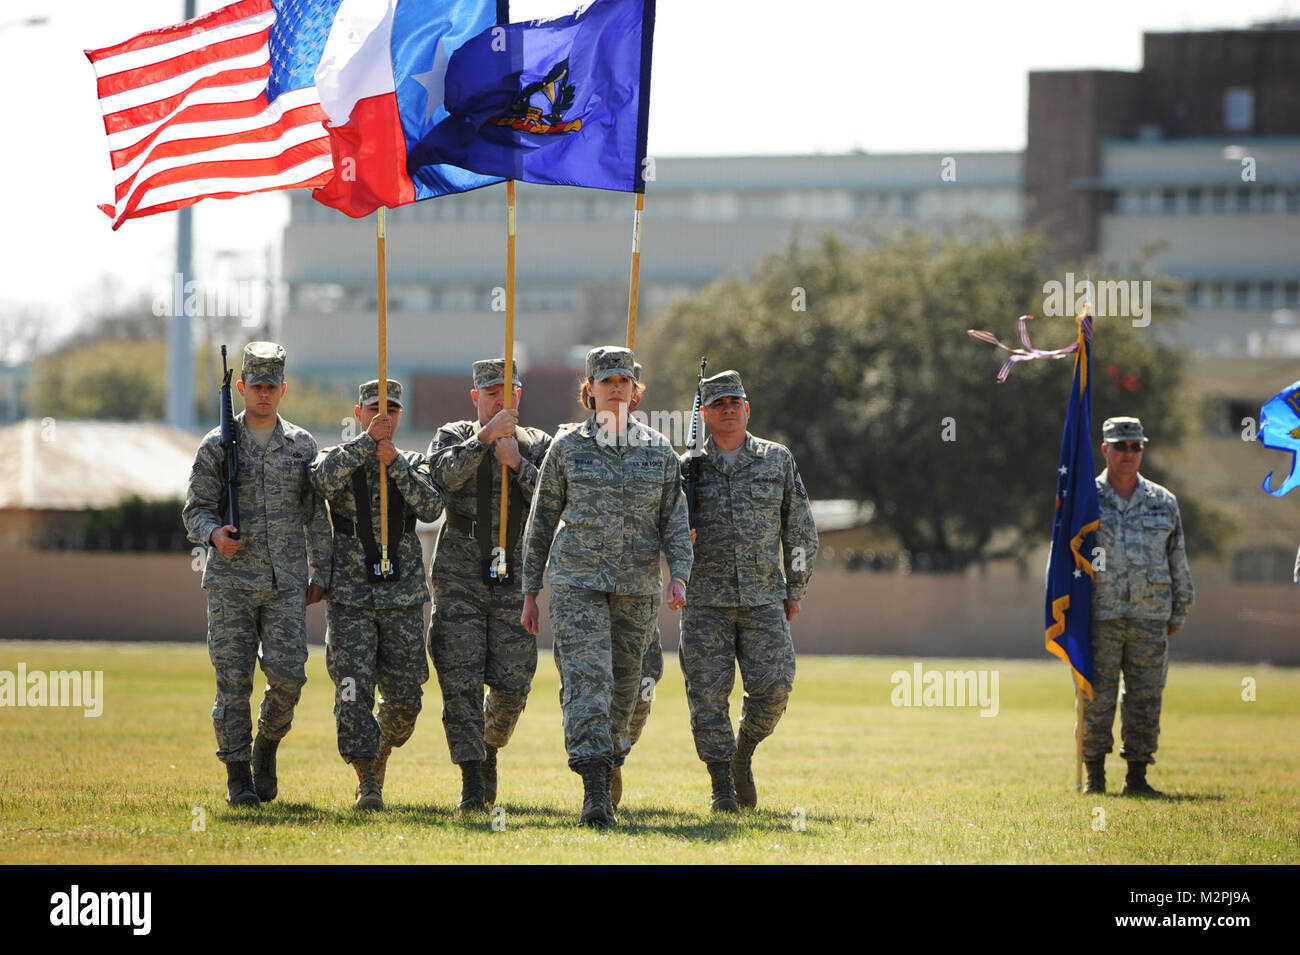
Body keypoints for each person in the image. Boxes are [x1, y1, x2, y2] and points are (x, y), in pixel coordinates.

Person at [520, 346, 692, 826]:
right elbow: (541, 521)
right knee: (587, 682)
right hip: (577, 584)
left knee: (630, 690)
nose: (615, 388)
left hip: (637, 588)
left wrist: (679, 574)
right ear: (589, 391)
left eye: (624, 381)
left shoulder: (659, 449)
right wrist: (529, 591)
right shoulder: (567, 448)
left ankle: (612, 756)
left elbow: (675, 520)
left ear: (636, 393)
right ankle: (594, 790)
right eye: (606, 381)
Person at [182, 342, 331, 807]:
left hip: (285, 584)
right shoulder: (216, 445)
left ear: (282, 389)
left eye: (272, 386)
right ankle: (238, 775)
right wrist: (213, 536)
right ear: (242, 388)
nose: (264, 394)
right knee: (233, 683)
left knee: (289, 676)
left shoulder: (302, 445)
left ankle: (266, 744)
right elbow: (194, 511)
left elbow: (316, 516)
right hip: (230, 583)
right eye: (257, 386)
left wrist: (321, 569)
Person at [679, 370, 818, 811]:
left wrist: (795, 588)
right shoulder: (687, 469)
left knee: (775, 685)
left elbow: (800, 528)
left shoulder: (776, 459)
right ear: (704, 413)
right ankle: (722, 785)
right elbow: (662, 528)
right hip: (704, 602)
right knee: (707, 697)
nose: (729, 409)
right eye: (719, 404)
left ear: (747, 407)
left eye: (735, 402)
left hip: (763, 598)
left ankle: (743, 753)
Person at [309, 380, 443, 810]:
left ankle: (383, 747)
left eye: (392, 410)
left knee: (407, 697)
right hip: (351, 598)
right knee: (352, 689)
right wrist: (367, 445)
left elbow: (432, 507)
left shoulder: (414, 461)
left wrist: (396, 463)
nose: (384, 416)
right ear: (359, 412)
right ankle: (367, 777)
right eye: (374, 409)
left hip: (401, 596)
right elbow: (320, 483)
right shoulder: (339, 458)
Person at [426, 359, 551, 812]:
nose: (501, 399)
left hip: (516, 574)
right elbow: (436, 481)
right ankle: (473, 777)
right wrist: (483, 440)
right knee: (459, 679)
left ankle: (490, 746)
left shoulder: (538, 444)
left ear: (519, 396)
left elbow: (554, 503)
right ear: (475, 397)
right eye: (491, 392)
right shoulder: (452, 435)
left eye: (509, 392)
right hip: (460, 573)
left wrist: (517, 464)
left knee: (513, 683)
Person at [1083, 416, 1194, 797]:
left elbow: (1176, 558)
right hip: (1100, 616)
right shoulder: (1085, 499)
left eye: (1135, 447)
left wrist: (1179, 608)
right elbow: (1067, 559)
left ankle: (1137, 778)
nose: (1129, 454)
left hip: (1150, 615)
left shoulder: (1164, 502)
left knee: (1146, 698)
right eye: (1121, 447)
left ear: (1142, 449)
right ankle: (1095, 776)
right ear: (1105, 450)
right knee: (1096, 697)